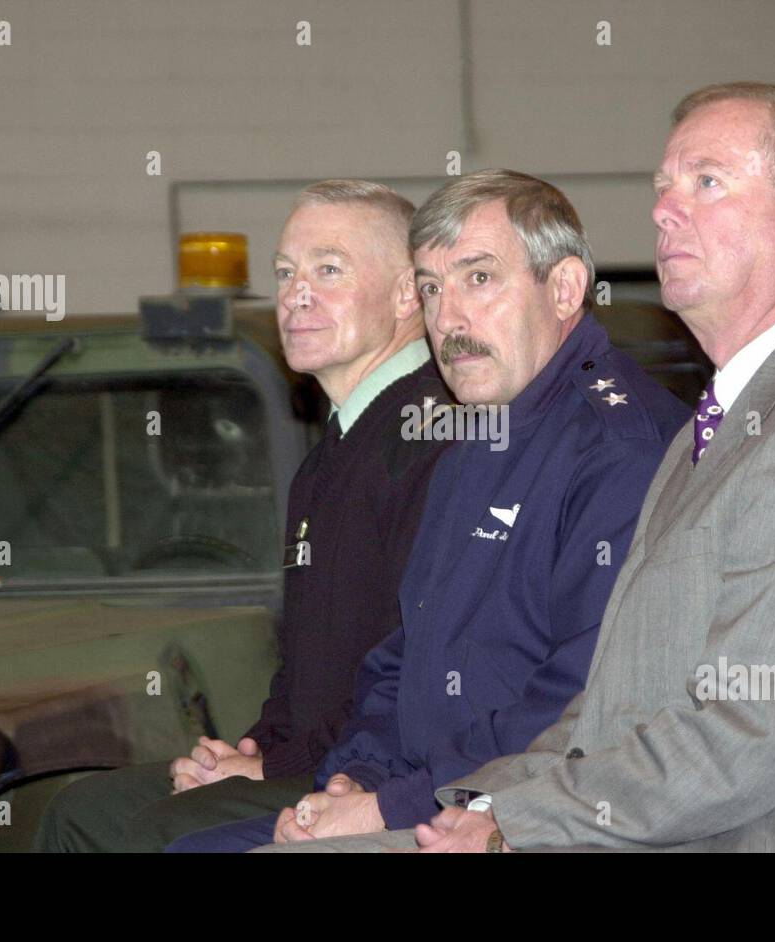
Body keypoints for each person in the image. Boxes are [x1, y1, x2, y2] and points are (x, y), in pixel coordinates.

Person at [257, 84, 775, 854]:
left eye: (706, 182)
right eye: (663, 188)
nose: (664, 210)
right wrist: (472, 802)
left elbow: (737, 746)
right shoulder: (737, 415)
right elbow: (606, 711)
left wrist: (510, 825)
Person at [166, 169, 690, 851]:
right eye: (434, 288)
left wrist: (389, 803)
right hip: (417, 790)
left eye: (479, 279)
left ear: (563, 289)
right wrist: (352, 775)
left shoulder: (618, 450)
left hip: (521, 813)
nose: (449, 319)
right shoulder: (480, 432)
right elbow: (402, 657)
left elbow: (582, 705)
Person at [35, 180, 454, 851]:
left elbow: (404, 662)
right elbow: (307, 663)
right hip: (307, 757)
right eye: (286, 273)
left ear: (408, 294)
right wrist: (248, 749)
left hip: (374, 771)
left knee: (160, 833)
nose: (296, 294)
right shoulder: (333, 451)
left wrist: (271, 767)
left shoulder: (430, 438)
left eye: (328, 270)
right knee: (80, 811)